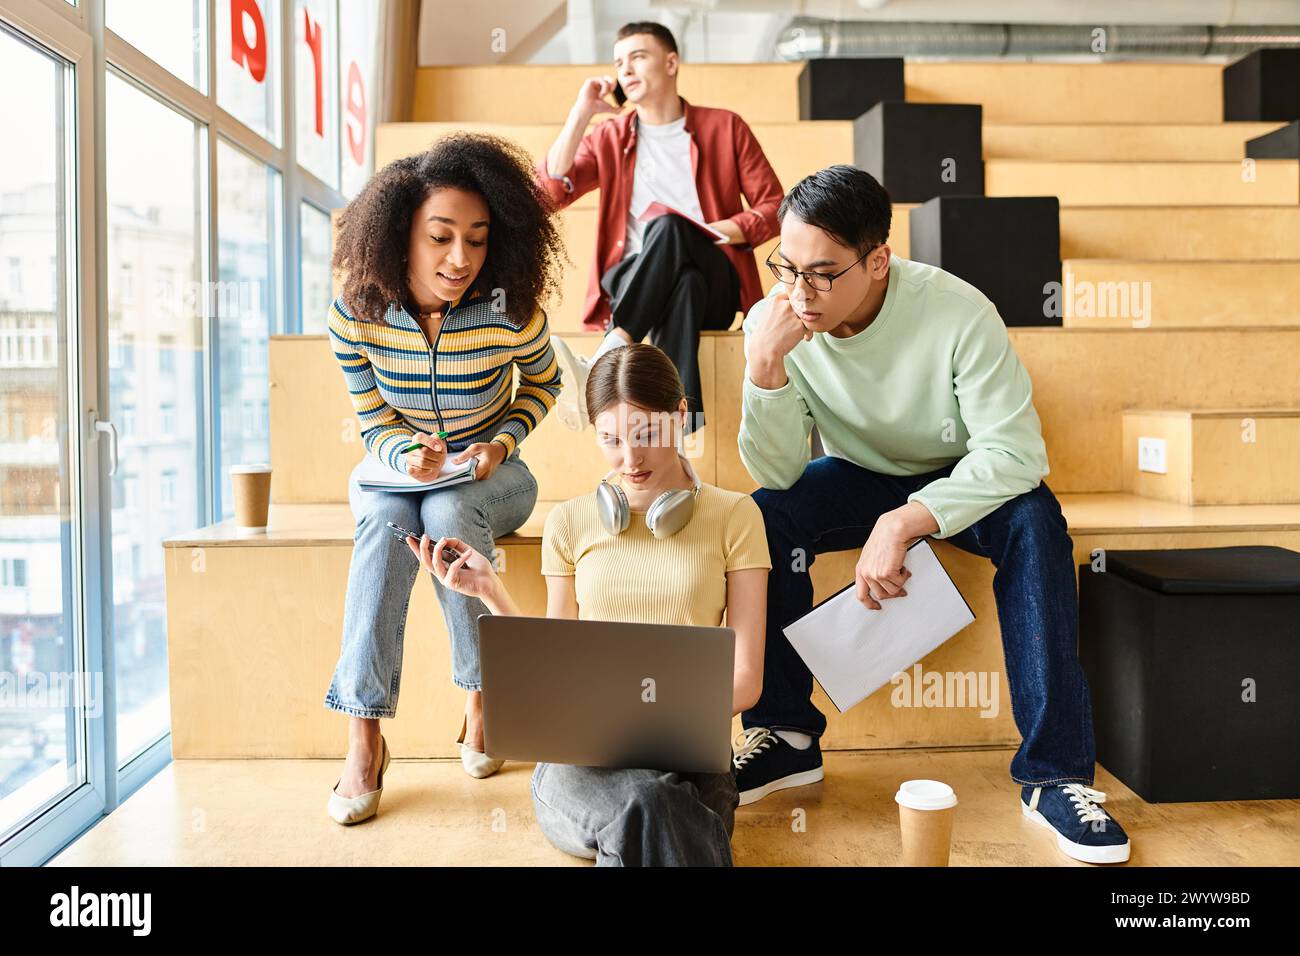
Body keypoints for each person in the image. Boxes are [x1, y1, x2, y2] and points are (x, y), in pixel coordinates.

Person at [732, 164, 1131, 865]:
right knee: (763, 516)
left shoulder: (956, 310)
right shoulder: (781, 323)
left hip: (960, 475)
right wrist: (764, 371)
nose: (800, 292)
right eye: (787, 268)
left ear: (877, 261)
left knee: (1035, 523)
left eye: (822, 274)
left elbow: (1014, 452)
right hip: (858, 474)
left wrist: (906, 520)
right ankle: (787, 736)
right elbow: (779, 474)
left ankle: (1055, 776)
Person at [409, 343, 771, 865]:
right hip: (582, 768)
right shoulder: (570, 522)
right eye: (611, 439)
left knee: (654, 802)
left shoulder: (736, 516)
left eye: (646, 435)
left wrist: (646, 719)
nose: (630, 459)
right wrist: (490, 590)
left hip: (692, 760)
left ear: (679, 415)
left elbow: (746, 678)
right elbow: (556, 665)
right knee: (652, 805)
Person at [322, 132, 566, 825]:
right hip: (396, 477)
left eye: (477, 240)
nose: (461, 258)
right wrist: (405, 454)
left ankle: (482, 696)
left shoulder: (509, 312)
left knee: (451, 511)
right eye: (440, 237)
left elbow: (544, 386)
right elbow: (372, 419)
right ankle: (364, 735)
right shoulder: (356, 316)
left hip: (493, 479)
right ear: (399, 233)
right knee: (385, 522)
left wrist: (500, 442)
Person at [537, 20, 783, 437]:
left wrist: (716, 230)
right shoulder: (610, 136)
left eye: (637, 57)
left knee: (672, 231)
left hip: (716, 276)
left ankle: (608, 353)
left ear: (671, 63)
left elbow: (775, 206)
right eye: (618, 63)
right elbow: (549, 192)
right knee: (683, 282)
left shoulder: (725, 126)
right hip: (635, 278)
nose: (625, 70)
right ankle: (681, 431)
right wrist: (581, 113)